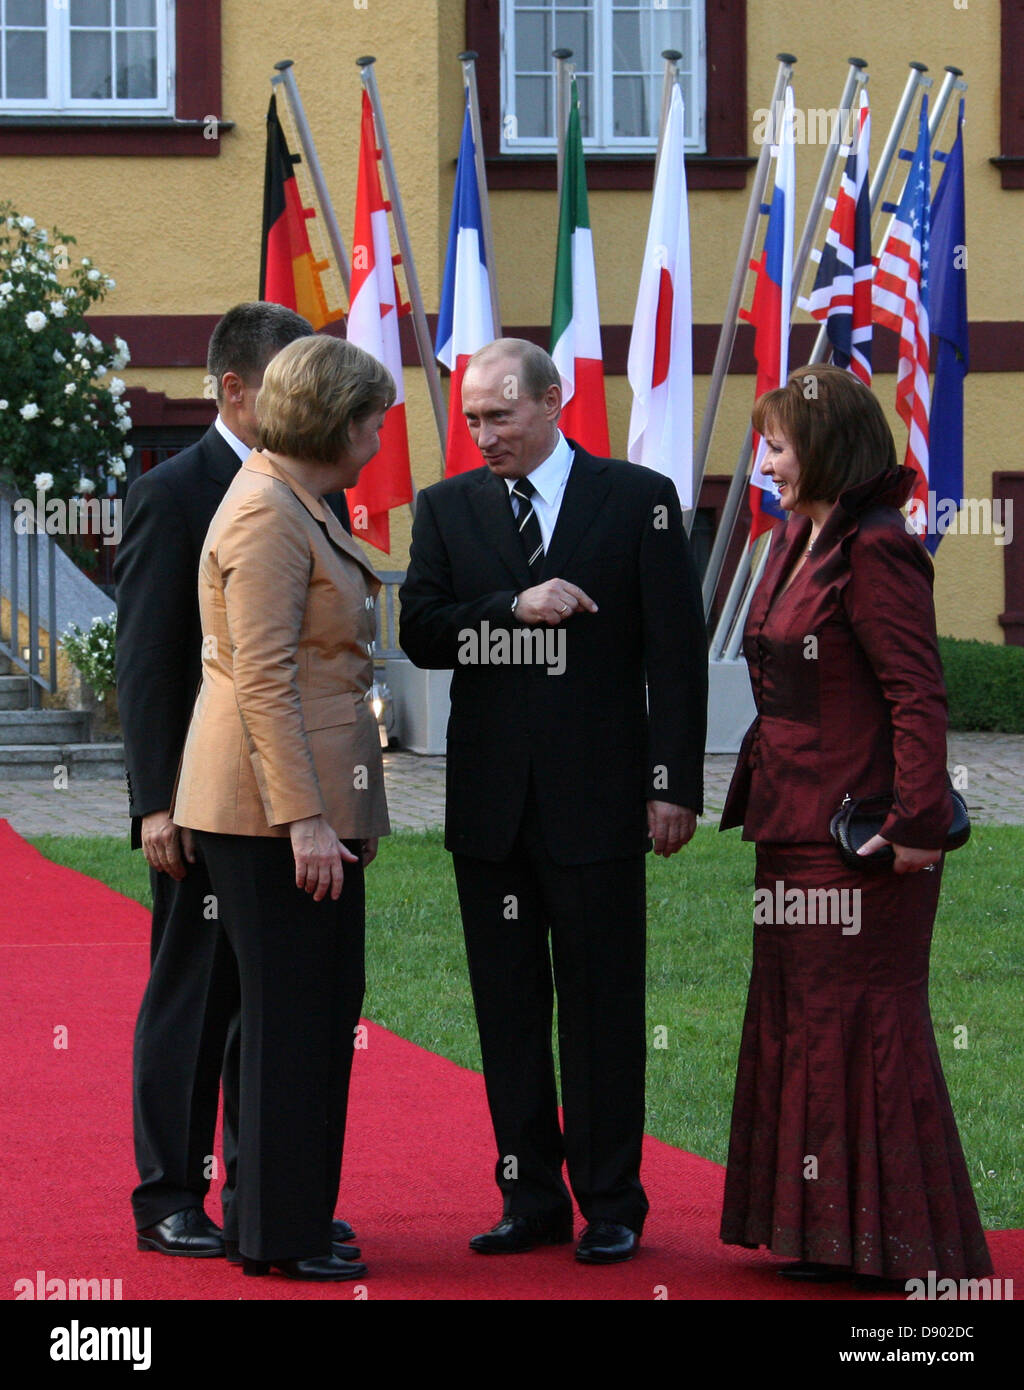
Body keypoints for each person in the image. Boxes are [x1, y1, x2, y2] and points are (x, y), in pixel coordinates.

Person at [399, 338, 708, 1264]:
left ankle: (612, 1199)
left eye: (501, 416)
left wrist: (673, 784)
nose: (485, 434)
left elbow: (677, 659)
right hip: (491, 810)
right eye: (474, 421)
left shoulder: (639, 501)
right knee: (508, 1008)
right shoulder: (447, 508)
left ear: (553, 402)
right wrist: (509, 609)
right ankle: (528, 1197)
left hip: (604, 803)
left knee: (604, 1003)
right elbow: (420, 633)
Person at [718, 364, 993, 1288]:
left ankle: (897, 1247)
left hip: (864, 839)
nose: (768, 460)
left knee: (864, 1026)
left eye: (780, 445)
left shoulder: (878, 546)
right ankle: (821, 1232)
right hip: (788, 824)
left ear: (828, 447)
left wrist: (919, 824)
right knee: (801, 1021)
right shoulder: (801, 533)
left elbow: (918, 692)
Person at [115, 302, 356, 1258]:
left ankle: (270, 1197)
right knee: (195, 995)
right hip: (201, 801)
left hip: (278, 798)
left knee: (276, 1007)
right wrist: (153, 803)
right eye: (290, 380)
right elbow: (149, 661)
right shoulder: (177, 491)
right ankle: (171, 1192)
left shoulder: (311, 486)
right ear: (236, 389)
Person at [170, 335, 392, 1280]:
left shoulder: (291, 496)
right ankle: (278, 1232)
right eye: (374, 419)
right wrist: (305, 818)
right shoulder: (266, 510)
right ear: (339, 422)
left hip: (295, 803)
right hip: (269, 813)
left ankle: (284, 1211)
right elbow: (261, 678)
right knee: (291, 1018)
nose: (381, 436)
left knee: (310, 1012)